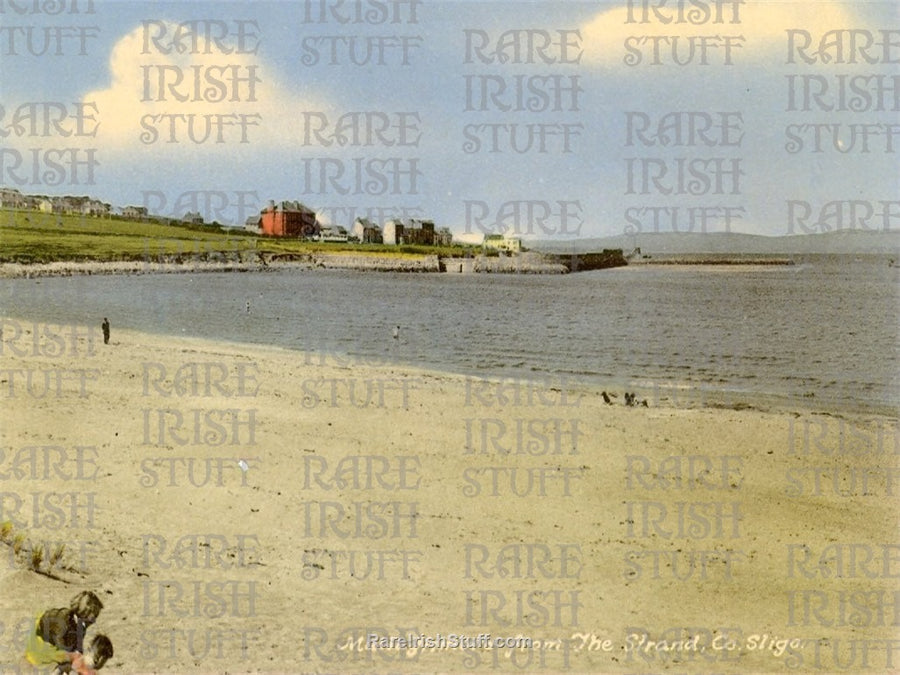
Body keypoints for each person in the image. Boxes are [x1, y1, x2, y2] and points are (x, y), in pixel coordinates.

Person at [25, 591, 103, 670]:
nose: (94, 621)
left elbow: (78, 648)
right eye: (94, 617)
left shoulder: (81, 627)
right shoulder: (62, 620)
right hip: (43, 636)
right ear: (85, 612)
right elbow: (60, 648)